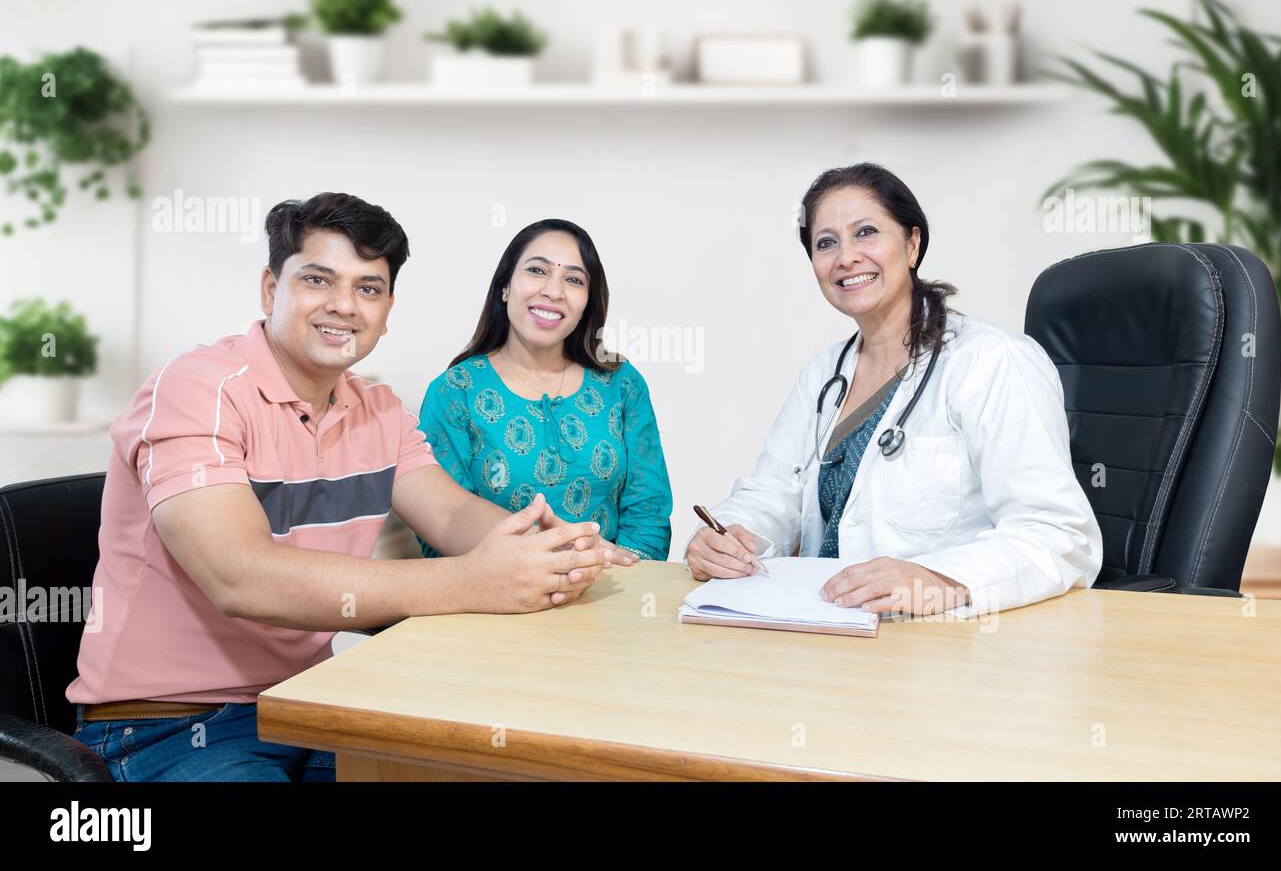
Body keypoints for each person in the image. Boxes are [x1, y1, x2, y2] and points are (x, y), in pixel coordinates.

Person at [67, 193, 624, 782]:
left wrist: (550, 548)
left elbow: (452, 512)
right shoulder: (196, 388)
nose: (344, 305)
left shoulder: (377, 408)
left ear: (387, 310)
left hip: (312, 706)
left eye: (368, 288)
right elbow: (238, 576)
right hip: (167, 725)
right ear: (269, 289)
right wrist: (472, 580)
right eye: (317, 279)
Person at [684, 163, 1102, 616]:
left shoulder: (992, 361)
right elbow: (774, 491)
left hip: (943, 642)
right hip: (828, 623)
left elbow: (1060, 534)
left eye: (866, 232)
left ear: (912, 244)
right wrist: (731, 534)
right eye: (827, 243)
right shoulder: (822, 375)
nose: (846, 257)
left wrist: (940, 577)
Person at [418, 219, 672, 561]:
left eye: (573, 279)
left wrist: (620, 573)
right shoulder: (454, 392)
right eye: (537, 271)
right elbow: (439, 529)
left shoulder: (621, 383)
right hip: (499, 599)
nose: (554, 291)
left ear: (587, 303)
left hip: (611, 587)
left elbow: (649, 511)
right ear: (504, 287)